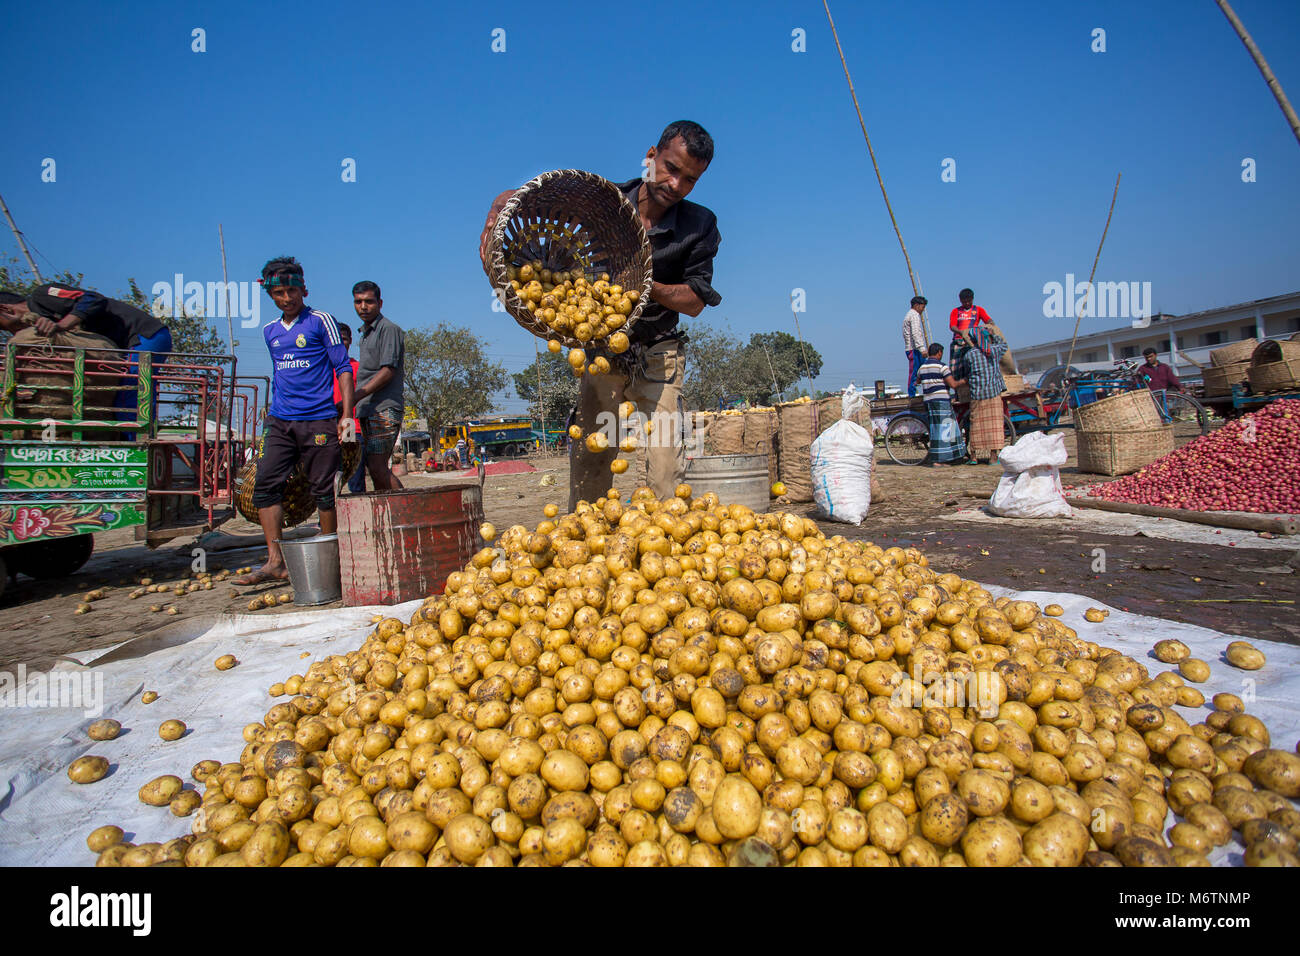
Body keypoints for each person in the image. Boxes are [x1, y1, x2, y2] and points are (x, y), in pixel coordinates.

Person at [479, 120, 722, 509]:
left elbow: (695, 299)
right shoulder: (608, 200)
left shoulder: (699, 225)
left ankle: (667, 547)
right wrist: (497, 209)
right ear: (651, 158)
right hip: (602, 357)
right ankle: (583, 544)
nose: (676, 185)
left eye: (690, 179)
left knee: (664, 471)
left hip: (659, 356)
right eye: (671, 169)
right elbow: (523, 195)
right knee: (591, 458)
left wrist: (647, 287)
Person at [236, 256, 353, 586]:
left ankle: (330, 562)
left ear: (303, 289)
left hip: (318, 421)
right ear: (271, 295)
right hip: (281, 421)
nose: (286, 298)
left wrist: (346, 416)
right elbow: (280, 374)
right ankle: (275, 561)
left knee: (324, 491)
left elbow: (342, 368)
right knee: (265, 486)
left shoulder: (320, 322)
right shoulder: (269, 331)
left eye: (292, 291)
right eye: (279, 293)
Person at [1, 283, 173, 421]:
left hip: (143, 335)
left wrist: (62, 324)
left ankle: (135, 445)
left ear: (7, 310)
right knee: (114, 395)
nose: (15, 333)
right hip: (125, 345)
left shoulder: (43, 294)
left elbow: (93, 298)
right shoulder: (42, 321)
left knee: (129, 394)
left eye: (12, 327)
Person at [351, 281, 404, 491]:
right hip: (368, 408)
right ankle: (391, 513)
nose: (363, 306)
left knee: (377, 466)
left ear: (380, 303)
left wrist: (355, 396)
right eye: (358, 302)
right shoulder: (366, 333)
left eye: (369, 302)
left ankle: (406, 510)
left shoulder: (388, 329)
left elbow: (387, 371)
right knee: (373, 468)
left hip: (384, 408)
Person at [955, 324, 1008, 463]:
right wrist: (993, 334)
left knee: (976, 426)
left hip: (977, 394)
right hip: (993, 393)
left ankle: (973, 457)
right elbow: (1004, 345)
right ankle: (993, 457)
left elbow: (966, 371)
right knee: (994, 426)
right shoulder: (994, 351)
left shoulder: (969, 355)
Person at [915, 343, 968, 465]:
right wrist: (965, 381)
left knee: (937, 428)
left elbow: (917, 382)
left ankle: (951, 456)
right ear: (939, 352)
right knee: (945, 429)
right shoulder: (942, 367)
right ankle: (941, 459)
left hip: (929, 401)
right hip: (941, 401)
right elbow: (953, 384)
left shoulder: (921, 368)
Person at [334, 323, 366, 494]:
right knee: (328, 478)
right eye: (337, 339)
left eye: (344, 339)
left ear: (350, 341)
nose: (341, 343)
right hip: (329, 428)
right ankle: (327, 519)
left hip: (353, 428)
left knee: (355, 479)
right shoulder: (321, 369)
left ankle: (361, 518)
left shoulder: (358, 368)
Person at [949, 288, 991, 360]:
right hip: (959, 341)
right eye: (964, 302)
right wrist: (961, 332)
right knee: (955, 366)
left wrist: (990, 326)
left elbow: (989, 321)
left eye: (969, 301)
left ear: (972, 299)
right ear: (960, 300)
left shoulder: (979, 310)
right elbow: (952, 326)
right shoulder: (955, 311)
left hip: (973, 340)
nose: (967, 303)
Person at [902, 296, 928, 397]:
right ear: (917, 306)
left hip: (914, 348)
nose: (923, 310)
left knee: (923, 371)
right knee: (914, 373)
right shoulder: (914, 315)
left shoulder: (910, 315)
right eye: (922, 307)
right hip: (914, 349)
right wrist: (922, 348)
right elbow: (916, 333)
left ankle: (922, 391)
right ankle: (911, 395)